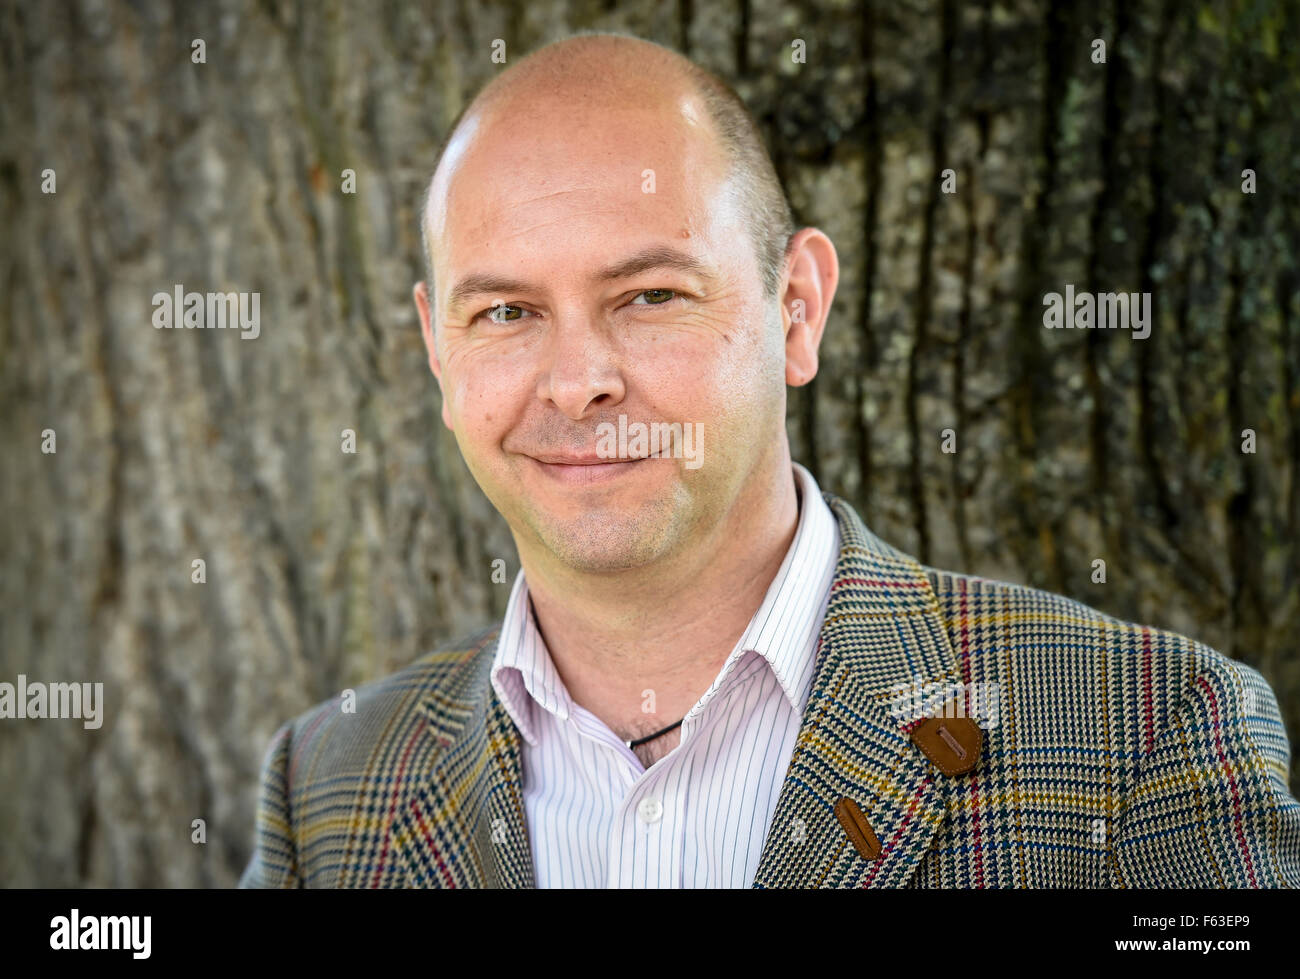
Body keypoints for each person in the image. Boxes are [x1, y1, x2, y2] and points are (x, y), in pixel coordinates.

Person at [239, 32, 1300, 888]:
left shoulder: (1143, 734)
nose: (576, 383)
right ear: (439, 351)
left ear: (797, 310)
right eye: (507, 311)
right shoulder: (328, 791)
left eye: (649, 296)